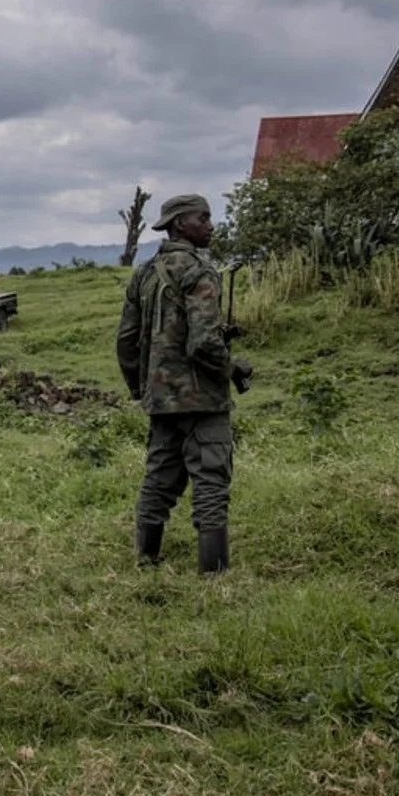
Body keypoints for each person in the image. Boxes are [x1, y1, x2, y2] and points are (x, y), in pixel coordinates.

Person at [115, 194, 249, 574]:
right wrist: (233, 368)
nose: (210, 225)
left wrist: (140, 389)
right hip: (203, 401)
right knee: (210, 484)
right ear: (179, 225)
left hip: (161, 401)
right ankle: (215, 574)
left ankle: (145, 561)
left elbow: (126, 340)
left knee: (159, 479)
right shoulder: (200, 272)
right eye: (202, 218)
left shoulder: (144, 274)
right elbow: (204, 343)